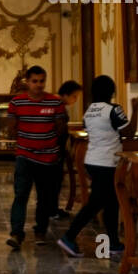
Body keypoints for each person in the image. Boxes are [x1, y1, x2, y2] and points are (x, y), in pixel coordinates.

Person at [58, 76, 138, 258]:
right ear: (112, 92)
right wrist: (135, 109)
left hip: (92, 160)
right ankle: (68, 237)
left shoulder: (89, 112)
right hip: (107, 163)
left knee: (111, 202)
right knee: (96, 203)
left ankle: (114, 244)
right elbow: (129, 133)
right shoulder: (114, 109)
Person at [5, 65, 66, 247]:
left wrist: (54, 147)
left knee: (44, 197)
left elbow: (61, 128)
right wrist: (22, 139)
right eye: (34, 81)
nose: (38, 85)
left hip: (48, 158)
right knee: (20, 195)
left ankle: (40, 230)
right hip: (25, 156)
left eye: (42, 81)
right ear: (28, 82)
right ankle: (16, 234)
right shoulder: (17, 103)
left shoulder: (55, 102)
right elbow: (11, 128)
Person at [53, 79, 83, 219]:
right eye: (74, 96)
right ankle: (51, 210)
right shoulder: (57, 104)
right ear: (66, 94)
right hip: (54, 149)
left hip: (56, 148)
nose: (75, 100)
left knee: (56, 181)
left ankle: (53, 208)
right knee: (54, 181)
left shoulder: (58, 104)